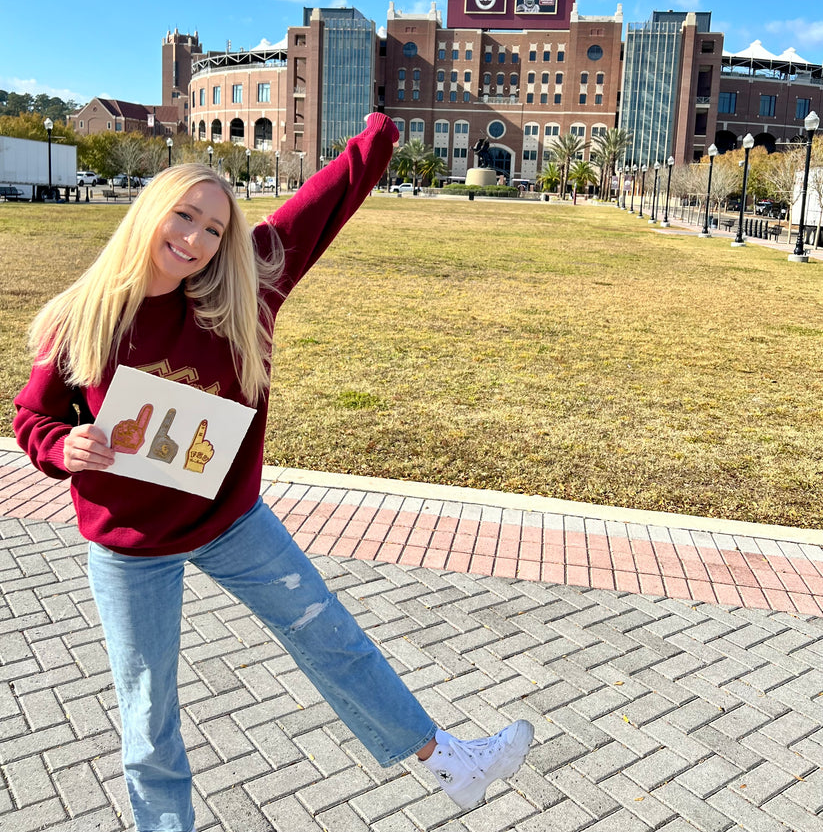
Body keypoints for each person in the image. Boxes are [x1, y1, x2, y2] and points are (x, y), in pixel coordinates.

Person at [14, 112, 533, 832]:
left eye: (213, 229)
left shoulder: (242, 287)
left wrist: (381, 127)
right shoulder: (87, 315)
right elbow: (32, 418)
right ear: (150, 212)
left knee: (333, 637)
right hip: (128, 545)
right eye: (184, 216)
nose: (194, 239)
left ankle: (452, 763)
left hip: (230, 522)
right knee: (148, 711)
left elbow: (327, 202)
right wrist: (63, 448)